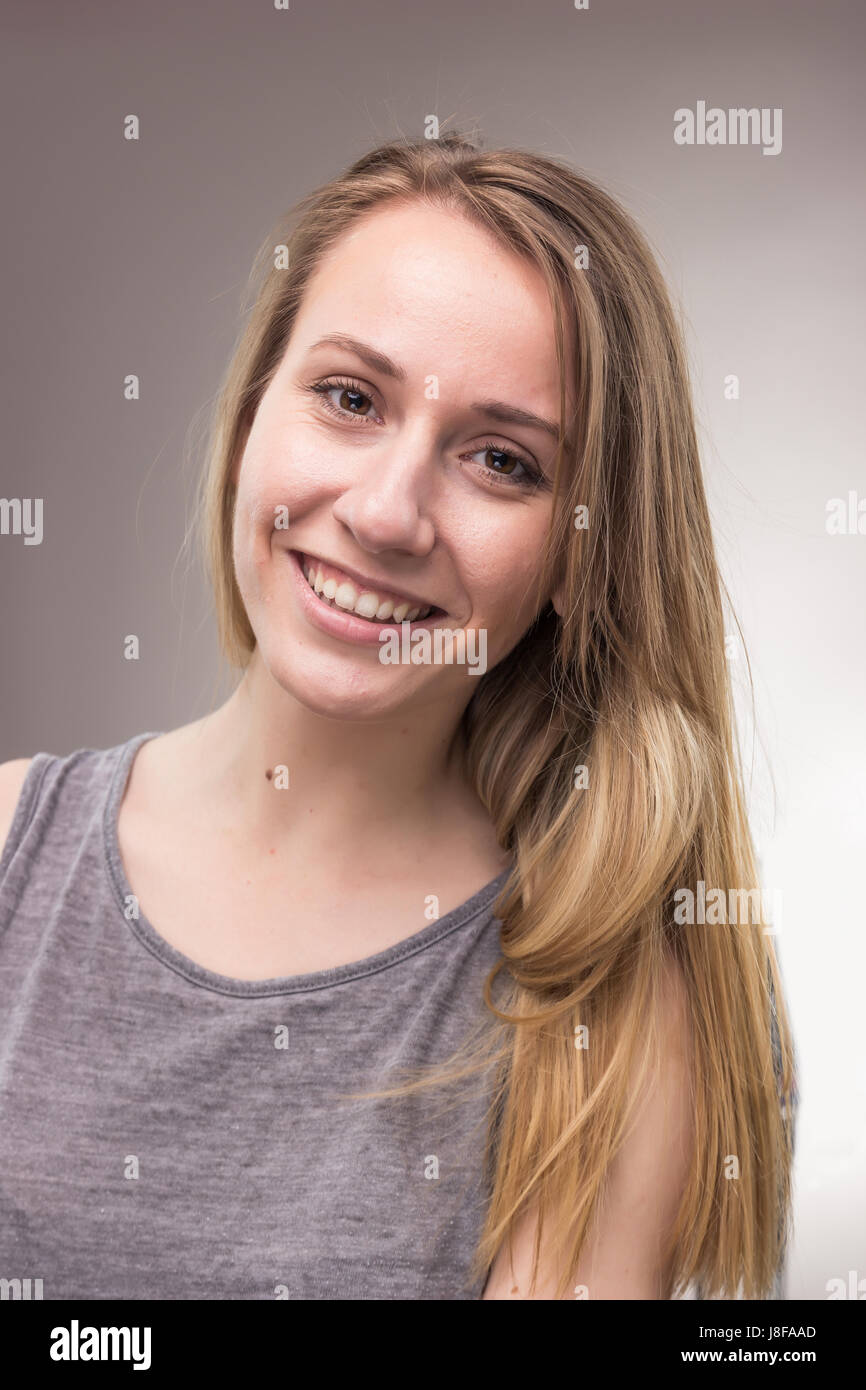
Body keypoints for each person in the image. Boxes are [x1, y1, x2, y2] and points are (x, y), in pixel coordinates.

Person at [0, 132, 797, 1301]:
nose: (384, 512)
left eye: (500, 461)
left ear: (582, 552)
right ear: (252, 415)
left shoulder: (616, 1008)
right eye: (347, 397)